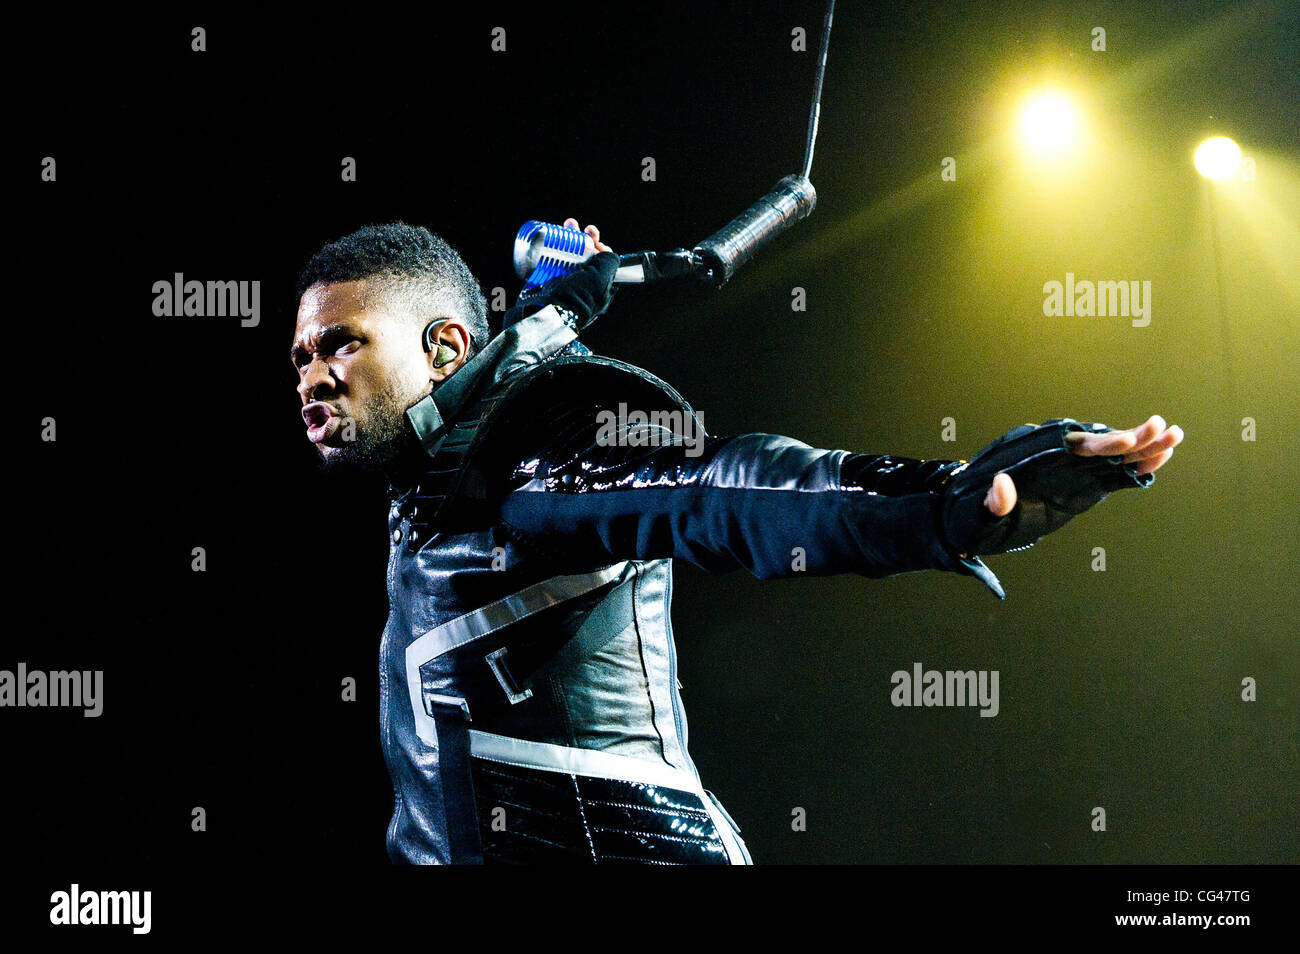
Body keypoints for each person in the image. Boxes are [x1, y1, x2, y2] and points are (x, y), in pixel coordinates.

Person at [290, 219, 1184, 864]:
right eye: (298, 356)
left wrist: (941, 501)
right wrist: (551, 310)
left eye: (340, 344)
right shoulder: (437, 478)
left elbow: (730, 490)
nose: (311, 375)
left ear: (445, 347)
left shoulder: (539, 449)